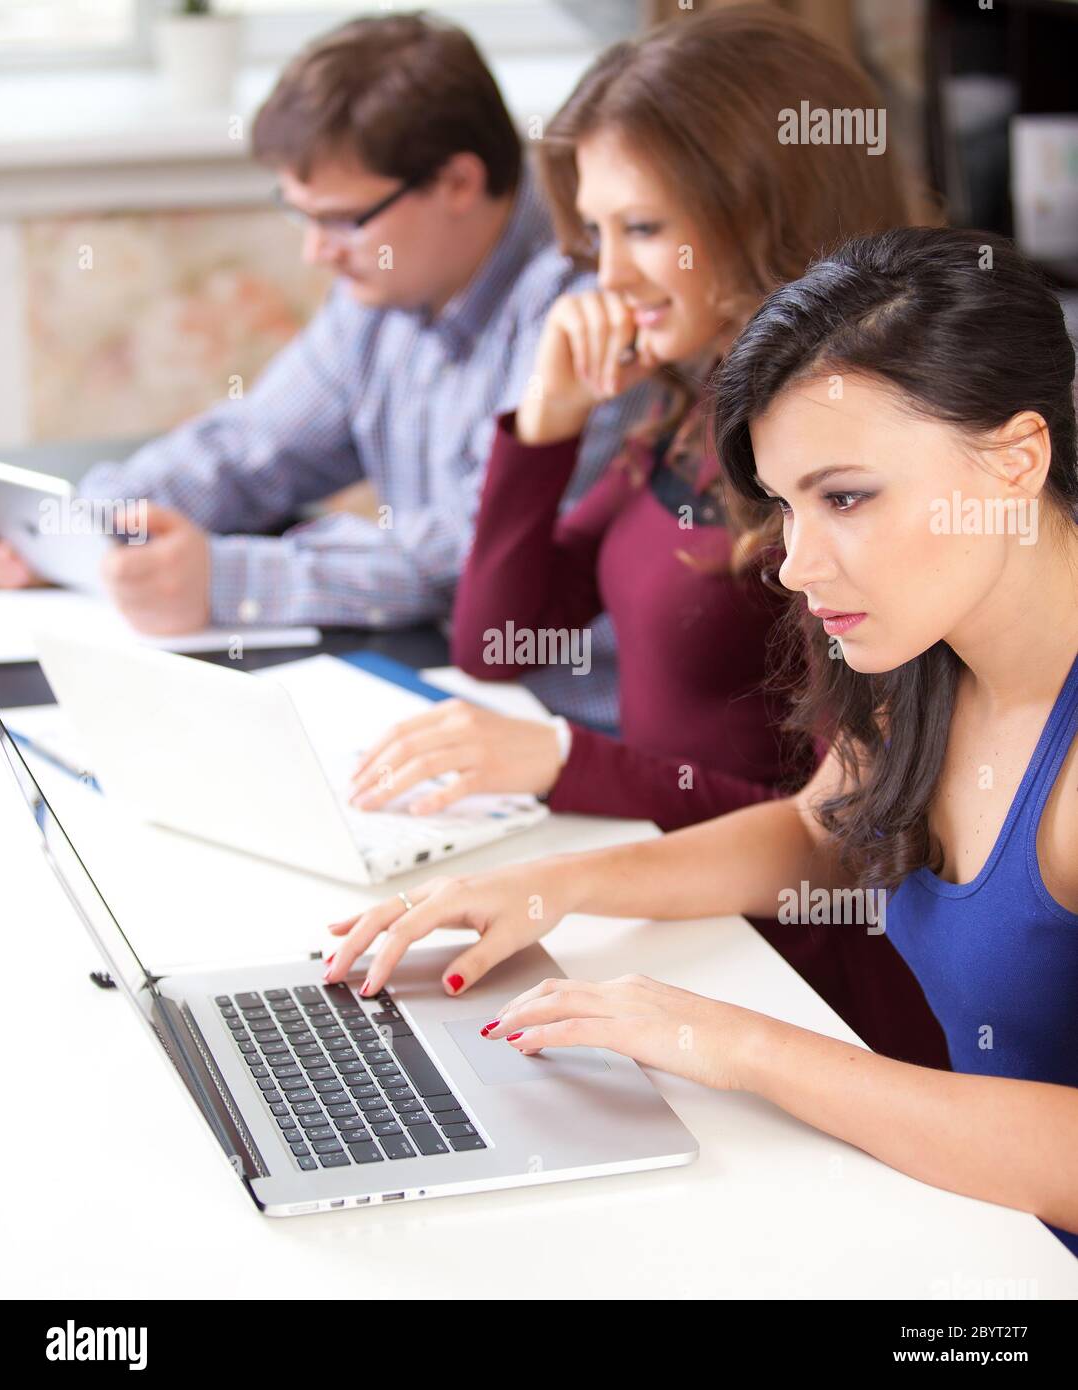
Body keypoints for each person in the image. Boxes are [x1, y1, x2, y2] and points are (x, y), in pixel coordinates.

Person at [323, 226, 1078, 1255]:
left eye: (845, 497)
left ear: (1013, 458)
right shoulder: (930, 654)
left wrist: (737, 1044)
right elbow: (818, 831)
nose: (795, 565)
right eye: (782, 505)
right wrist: (557, 882)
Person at [340, 5, 946, 1064]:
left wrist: (568, 760)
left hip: (793, 977)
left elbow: (832, 833)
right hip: (678, 910)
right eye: (593, 234)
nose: (603, 276)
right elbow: (501, 639)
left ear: (765, 209)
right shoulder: (691, 409)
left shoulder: (847, 473)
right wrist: (546, 423)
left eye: (641, 228)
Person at [0, 12, 638, 727]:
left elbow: (466, 548)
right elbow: (250, 446)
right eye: (300, 216)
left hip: (567, 722)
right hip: (453, 691)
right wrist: (86, 527)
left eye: (340, 219)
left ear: (458, 181)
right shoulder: (383, 287)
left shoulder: (590, 311)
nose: (315, 253)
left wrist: (224, 580)